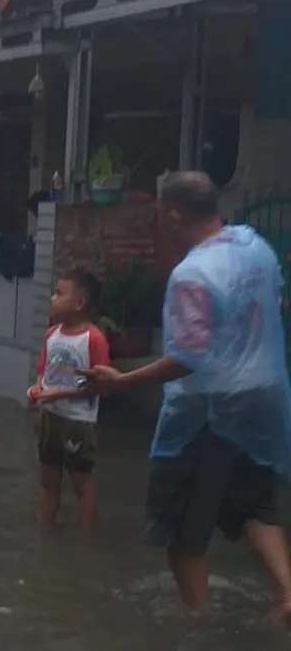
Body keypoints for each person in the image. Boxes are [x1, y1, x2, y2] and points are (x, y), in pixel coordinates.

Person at [86, 171, 291, 619]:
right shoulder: (255, 246)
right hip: (263, 395)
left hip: (208, 407)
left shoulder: (191, 275)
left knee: (180, 525)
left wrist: (123, 381)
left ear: (174, 214)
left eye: (160, 215)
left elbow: (189, 357)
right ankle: (288, 592)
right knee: (255, 499)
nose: (158, 223)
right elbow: (276, 305)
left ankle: (198, 621)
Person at [28, 269, 110, 530]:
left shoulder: (93, 339)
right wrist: (37, 388)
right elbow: (43, 372)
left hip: (79, 422)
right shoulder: (51, 335)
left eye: (59, 293)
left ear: (79, 303)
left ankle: (84, 543)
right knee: (48, 481)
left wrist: (59, 393)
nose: (51, 298)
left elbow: (102, 385)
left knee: (81, 484)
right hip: (50, 417)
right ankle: (45, 532)